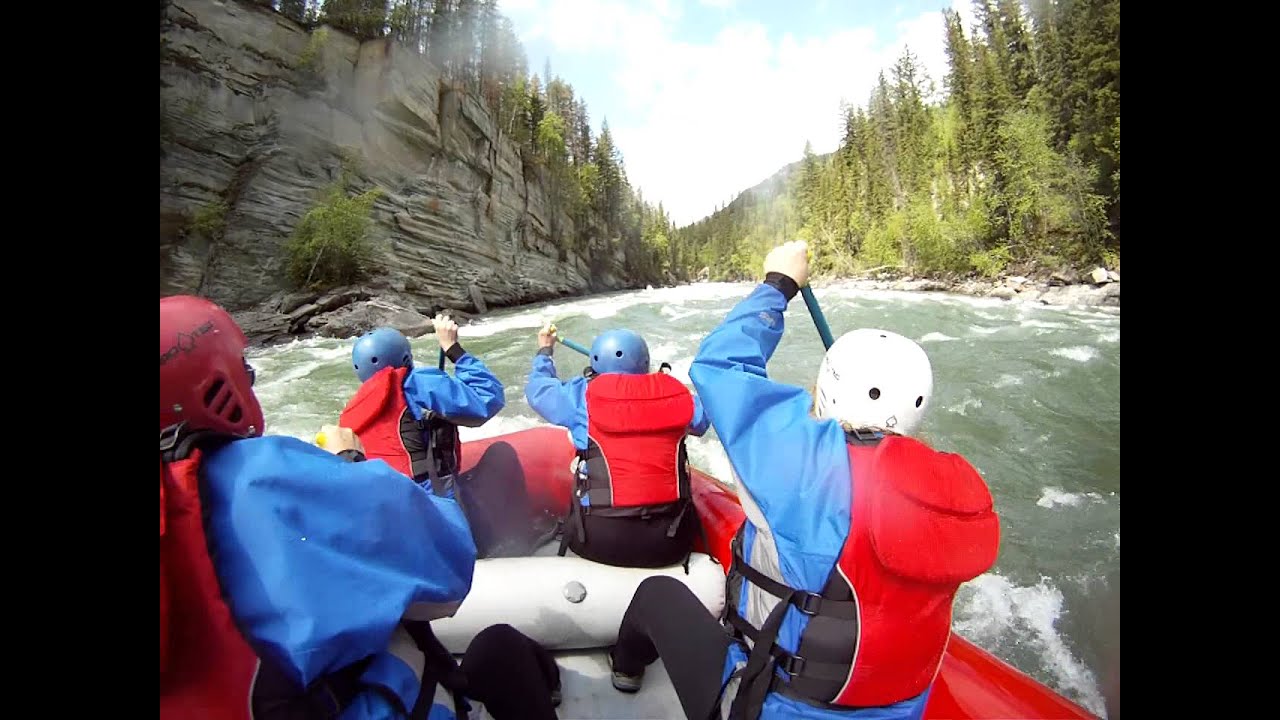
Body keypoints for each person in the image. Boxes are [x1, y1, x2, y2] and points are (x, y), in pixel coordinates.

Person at [606, 240, 1002, 720]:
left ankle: (624, 672)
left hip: (767, 707)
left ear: (829, 391)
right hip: (900, 710)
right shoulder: (957, 492)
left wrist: (779, 284)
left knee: (656, 596)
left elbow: (718, 367)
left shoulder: (802, 466)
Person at [160, 295, 560, 720]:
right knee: (502, 647)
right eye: (246, 370)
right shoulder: (272, 473)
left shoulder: (350, 415)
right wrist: (453, 352)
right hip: (442, 531)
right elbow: (449, 569)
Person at [338, 320, 552, 558]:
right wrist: (453, 348)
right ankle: (517, 538)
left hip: (396, 520)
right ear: (406, 358)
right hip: (443, 516)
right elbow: (489, 397)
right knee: (501, 454)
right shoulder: (418, 383)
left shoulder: (352, 412)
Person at [525, 325, 712, 568]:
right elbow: (703, 418)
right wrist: (656, 386)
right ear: (645, 363)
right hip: (669, 540)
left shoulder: (579, 395)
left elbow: (538, 390)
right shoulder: (678, 397)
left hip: (599, 541)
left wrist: (544, 352)